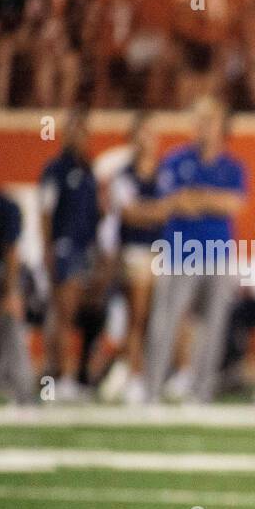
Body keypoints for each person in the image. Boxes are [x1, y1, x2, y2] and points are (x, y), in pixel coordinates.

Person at [147, 96, 247, 403]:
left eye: (209, 121)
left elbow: (233, 204)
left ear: (220, 126)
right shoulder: (176, 159)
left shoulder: (232, 166)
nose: (203, 127)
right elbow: (172, 203)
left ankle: (200, 393)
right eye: (198, 120)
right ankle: (151, 389)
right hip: (180, 252)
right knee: (167, 321)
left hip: (218, 253)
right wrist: (209, 201)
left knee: (212, 327)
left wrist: (197, 197)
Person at [39, 105, 100, 400]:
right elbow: (46, 213)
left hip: (84, 250)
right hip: (65, 248)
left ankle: (63, 375)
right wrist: (48, 249)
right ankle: (61, 378)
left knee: (73, 314)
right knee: (63, 314)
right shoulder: (55, 170)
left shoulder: (88, 170)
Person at [108, 111, 168, 404]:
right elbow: (131, 215)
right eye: (142, 134)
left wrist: (155, 211)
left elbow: (173, 209)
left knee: (163, 319)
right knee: (138, 317)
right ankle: (134, 376)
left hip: (165, 250)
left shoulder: (165, 172)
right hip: (137, 251)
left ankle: (156, 375)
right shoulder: (125, 176)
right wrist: (160, 210)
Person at [0, 190, 32, 403]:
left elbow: (11, 252)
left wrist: (11, 291)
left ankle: (23, 391)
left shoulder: (6, 208)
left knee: (11, 327)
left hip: (3, 277)